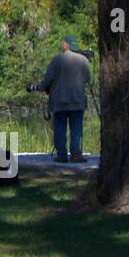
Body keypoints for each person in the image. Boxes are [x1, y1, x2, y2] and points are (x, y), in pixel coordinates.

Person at [30, 35, 91, 163]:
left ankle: (62, 155)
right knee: (76, 127)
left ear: (66, 45)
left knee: (60, 128)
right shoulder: (84, 60)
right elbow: (87, 78)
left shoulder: (57, 60)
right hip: (78, 100)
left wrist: (40, 88)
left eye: (63, 43)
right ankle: (75, 153)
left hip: (60, 100)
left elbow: (47, 80)